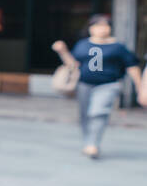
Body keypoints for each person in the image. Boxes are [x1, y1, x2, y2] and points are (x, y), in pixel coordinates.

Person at [52, 14, 145, 158]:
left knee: (98, 112)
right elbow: (72, 64)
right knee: (85, 115)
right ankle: (88, 141)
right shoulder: (83, 44)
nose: (102, 29)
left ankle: (93, 144)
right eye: (98, 26)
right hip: (84, 84)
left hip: (108, 85)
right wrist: (62, 51)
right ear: (90, 28)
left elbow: (132, 67)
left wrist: (140, 88)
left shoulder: (118, 47)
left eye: (105, 26)